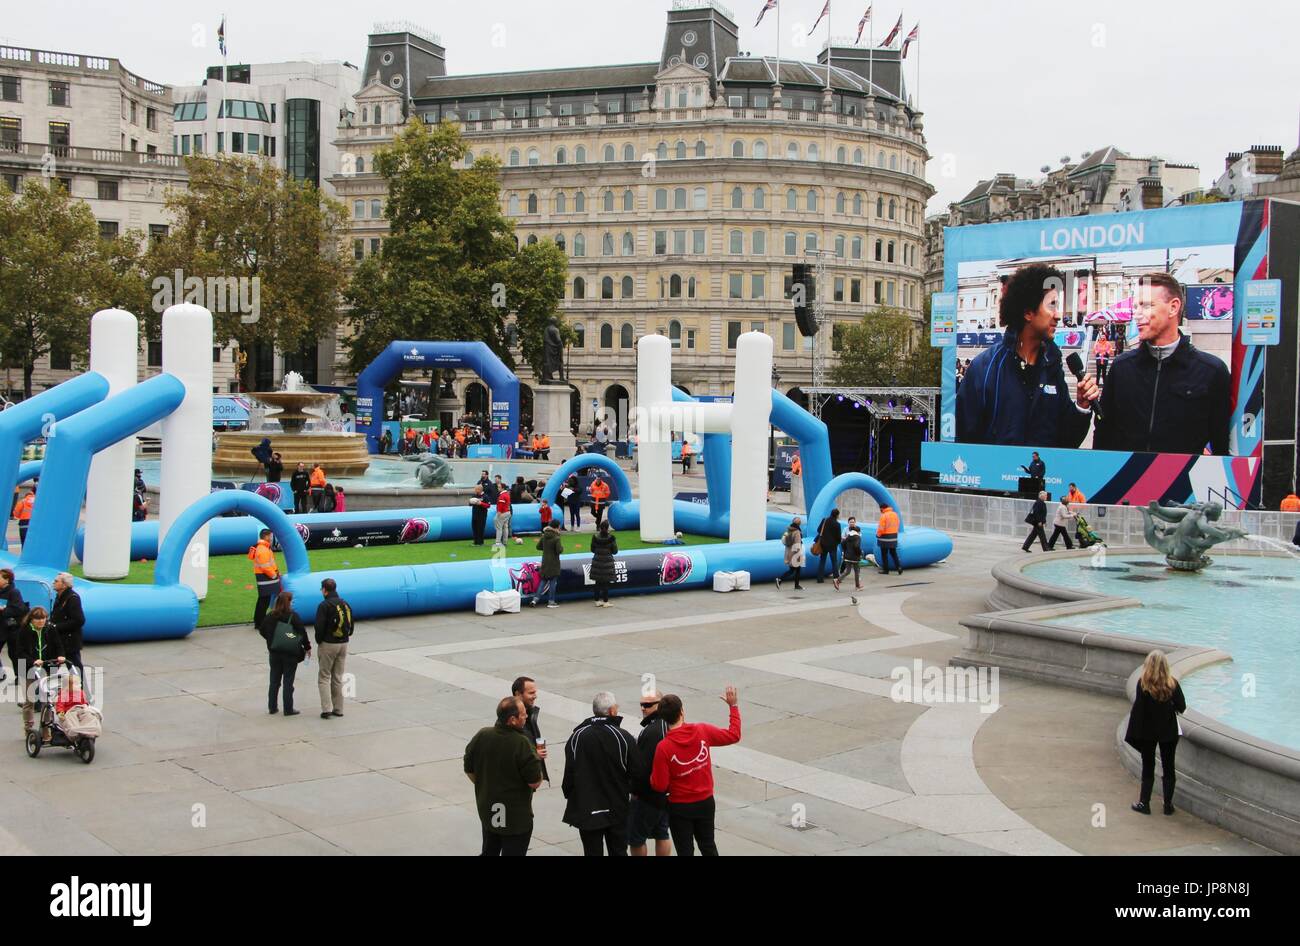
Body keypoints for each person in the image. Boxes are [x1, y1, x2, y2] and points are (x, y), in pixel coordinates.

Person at [956, 263, 1098, 447]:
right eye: (1051, 305)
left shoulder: (1053, 368)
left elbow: (1066, 442)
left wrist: (1081, 407)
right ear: (1028, 312)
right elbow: (965, 442)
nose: (1058, 315)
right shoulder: (984, 368)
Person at [1095, 274, 1232, 455]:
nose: (1137, 314)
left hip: (1183, 481)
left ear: (1173, 307)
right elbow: (1103, 435)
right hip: (1127, 480)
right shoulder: (1121, 368)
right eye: (1136, 306)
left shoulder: (1212, 371)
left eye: (1146, 305)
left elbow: (1221, 445)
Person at [650, 688, 742, 856]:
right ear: (682, 711)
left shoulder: (663, 748)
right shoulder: (702, 731)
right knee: (708, 846)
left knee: (685, 851)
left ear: (662, 718)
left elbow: (660, 785)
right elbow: (733, 735)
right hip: (705, 802)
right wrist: (733, 706)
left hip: (679, 807)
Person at [464, 696, 544, 856]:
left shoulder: (482, 735)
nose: (526, 716)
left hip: (489, 811)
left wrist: (485, 785)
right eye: (523, 714)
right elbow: (534, 782)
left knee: (489, 850)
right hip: (515, 817)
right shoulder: (522, 743)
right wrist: (537, 760)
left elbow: (469, 769)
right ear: (512, 720)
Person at [562, 691, 637, 856]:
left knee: (592, 852)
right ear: (611, 711)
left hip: (587, 807)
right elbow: (636, 772)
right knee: (618, 851)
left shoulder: (577, 736)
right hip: (617, 806)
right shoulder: (623, 737)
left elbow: (569, 774)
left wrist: (570, 795)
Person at [1124, 650, 1187, 816]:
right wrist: (1170, 707)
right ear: (1165, 666)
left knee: (1148, 766)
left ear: (1148, 665)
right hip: (1168, 731)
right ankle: (1168, 805)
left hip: (1148, 733)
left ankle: (1144, 803)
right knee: (1169, 767)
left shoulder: (1143, 684)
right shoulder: (1172, 684)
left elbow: (1139, 711)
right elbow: (1182, 706)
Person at [628, 689, 672, 857]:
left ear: (660, 706)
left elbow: (642, 767)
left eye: (647, 705)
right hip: (664, 793)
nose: (643, 708)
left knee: (636, 838)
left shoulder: (652, 731)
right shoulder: (667, 724)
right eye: (641, 705)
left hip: (648, 795)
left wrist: (635, 791)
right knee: (662, 832)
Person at [14, 606, 65, 736]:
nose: (41, 621)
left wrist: (60, 656)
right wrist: (33, 661)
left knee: (47, 700)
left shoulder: (50, 629)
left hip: (48, 667)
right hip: (28, 668)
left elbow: (58, 645)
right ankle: (28, 728)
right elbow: (20, 652)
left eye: (43, 618)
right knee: (29, 700)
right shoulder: (24, 631)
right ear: (31, 619)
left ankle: (45, 728)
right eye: (37, 619)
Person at [259, 591, 310, 716]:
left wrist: (272, 640)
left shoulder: (270, 616)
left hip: (275, 652)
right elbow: (302, 633)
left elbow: (262, 630)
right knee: (288, 680)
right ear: (289, 602)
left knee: (274, 680)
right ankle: (288, 708)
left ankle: (272, 707)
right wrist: (307, 647)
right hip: (290, 653)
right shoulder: (293, 616)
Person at [314, 578, 353, 719]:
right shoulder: (345, 603)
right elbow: (351, 625)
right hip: (343, 643)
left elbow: (319, 627)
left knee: (324, 677)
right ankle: (339, 708)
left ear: (324, 590)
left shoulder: (324, 605)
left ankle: (326, 709)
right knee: (337, 677)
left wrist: (319, 641)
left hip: (328, 644)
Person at [48, 573, 87, 695]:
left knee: (74, 667)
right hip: (58, 639)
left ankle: (79, 693)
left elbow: (79, 620)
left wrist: (56, 627)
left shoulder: (72, 598)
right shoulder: (59, 596)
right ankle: (41, 697)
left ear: (64, 585)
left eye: (56, 581)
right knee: (52, 666)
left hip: (69, 640)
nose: (53, 582)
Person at [511, 676, 549, 783]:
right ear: (518, 694)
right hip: (518, 782)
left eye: (535, 693)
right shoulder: (512, 720)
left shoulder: (529, 714)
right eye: (531, 693)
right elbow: (511, 752)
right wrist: (534, 754)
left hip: (528, 777)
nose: (535, 696)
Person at [247, 528, 281, 628]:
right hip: (265, 577)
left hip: (264, 577)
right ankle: (260, 622)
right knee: (264, 601)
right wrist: (274, 575)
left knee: (263, 600)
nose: (271, 538)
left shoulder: (263, 547)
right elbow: (265, 566)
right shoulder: (263, 549)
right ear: (266, 536)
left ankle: (259, 621)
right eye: (270, 536)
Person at [0, 567, 27, 684]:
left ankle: (20, 675)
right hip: (1, 627)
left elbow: (19, 609)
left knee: (14, 653)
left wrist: (3, 610)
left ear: (7, 580)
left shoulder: (14, 592)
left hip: (12, 628)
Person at [530, 522, 563, 608]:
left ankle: (535, 600)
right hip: (554, 563)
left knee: (543, 581)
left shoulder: (544, 536)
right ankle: (551, 601)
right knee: (552, 583)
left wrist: (546, 548)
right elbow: (559, 550)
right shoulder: (556, 538)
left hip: (545, 562)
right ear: (556, 527)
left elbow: (538, 547)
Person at [589, 521, 618, 607]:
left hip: (597, 561)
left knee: (597, 582)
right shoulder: (611, 538)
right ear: (608, 527)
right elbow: (615, 551)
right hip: (607, 562)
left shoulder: (595, 537)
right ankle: (605, 602)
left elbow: (592, 549)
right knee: (605, 583)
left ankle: (597, 600)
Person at [775, 517, 805, 591]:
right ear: (799, 524)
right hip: (795, 554)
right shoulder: (797, 531)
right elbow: (797, 544)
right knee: (795, 570)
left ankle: (796, 585)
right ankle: (780, 579)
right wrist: (798, 554)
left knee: (794, 570)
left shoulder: (789, 530)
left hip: (789, 552)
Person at [814, 508, 843, 583]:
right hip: (832, 546)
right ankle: (836, 578)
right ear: (837, 515)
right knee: (834, 562)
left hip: (823, 544)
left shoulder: (825, 520)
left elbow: (818, 530)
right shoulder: (837, 524)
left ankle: (820, 579)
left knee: (822, 561)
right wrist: (837, 542)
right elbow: (838, 536)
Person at [836, 519, 864, 591]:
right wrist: (860, 553)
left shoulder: (848, 536)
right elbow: (856, 546)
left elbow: (842, 543)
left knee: (847, 571)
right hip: (855, 557)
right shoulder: (857, 537)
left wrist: (846, 551)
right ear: (858, 531)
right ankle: (857, 586)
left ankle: (837, 581)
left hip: (847, 556)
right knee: (857, 571)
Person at [876, 503, 902, 575]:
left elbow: (881, 528)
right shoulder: (895, 514)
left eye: (880, 509)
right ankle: (899, 567)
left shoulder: (884, 516)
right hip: (893, 536)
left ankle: (886, 570)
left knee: (884, 554)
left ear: (882, 508)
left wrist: (878, 535)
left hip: (885, 538)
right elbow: (898, 524)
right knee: (893, 553)